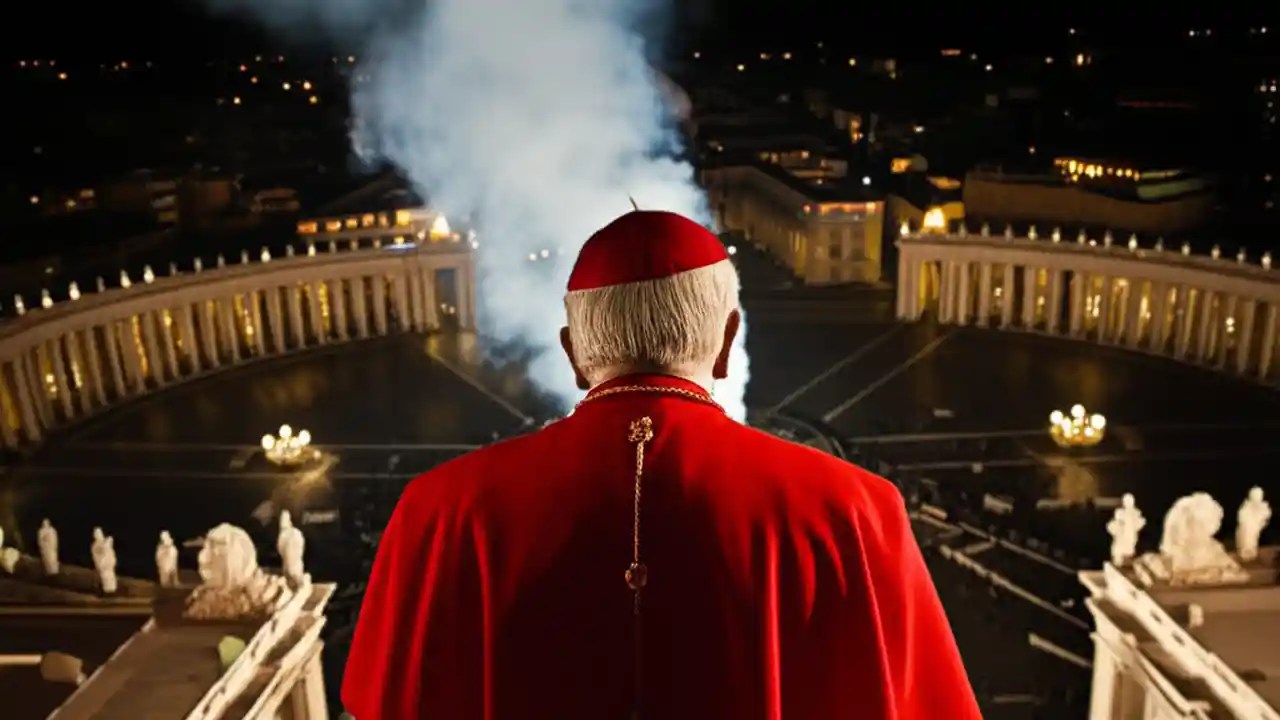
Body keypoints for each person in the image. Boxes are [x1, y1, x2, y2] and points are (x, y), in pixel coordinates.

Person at [342, 210, 980, 719]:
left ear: (572, 353)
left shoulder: (439, 510)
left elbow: (385, 701)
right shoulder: (855, 508)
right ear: (729, 341)